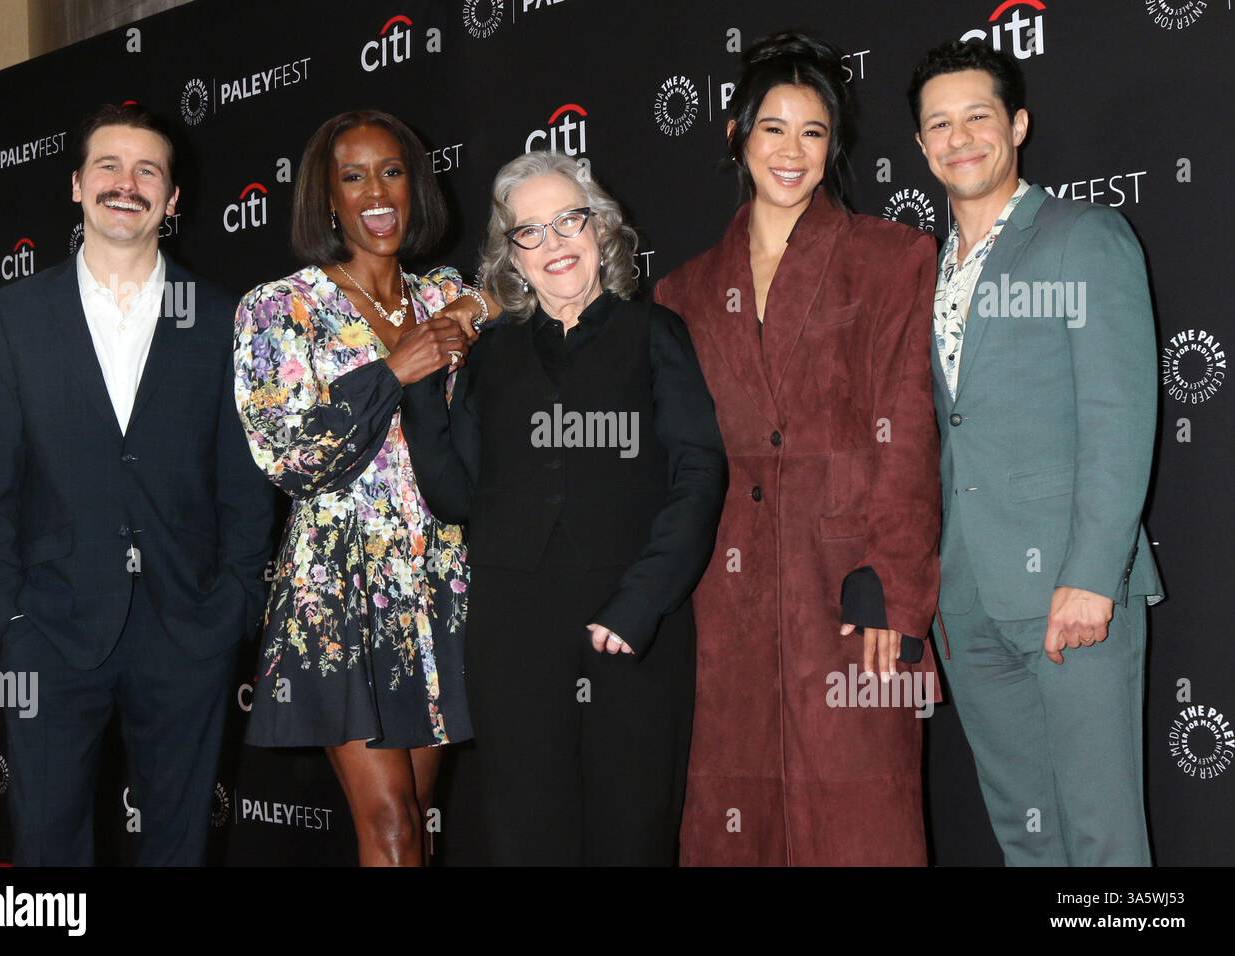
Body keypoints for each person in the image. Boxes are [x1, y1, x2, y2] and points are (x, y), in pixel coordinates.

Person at [0, 102, 277, 865]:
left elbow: (244, 480)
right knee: (45, 846)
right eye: (107, 165)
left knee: (178, 845)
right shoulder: (14, 316)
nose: (124, 183)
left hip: (186, 626)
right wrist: (9, 617)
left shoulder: (223, 317)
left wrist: (235, 601)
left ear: (172, 199)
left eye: (147, 171)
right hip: (52, 626)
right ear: (75, 185)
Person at [653, 32, 943, 866]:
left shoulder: (892, 258)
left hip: (850, 585)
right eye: (772, 128)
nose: (791, 151)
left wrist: (895, 586)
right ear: (736, 134)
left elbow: (909, 427)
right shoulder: (682, 290)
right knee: (730, 815)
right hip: (725, 595)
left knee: (863, 821)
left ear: (834, 147)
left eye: (812, 132)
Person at [400, 150, 728, 865]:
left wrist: (642, 602)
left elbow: (698, 473)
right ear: (511, 257)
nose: (553, 244)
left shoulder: (655, 335)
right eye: (530, 232)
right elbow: (455, 496)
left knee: (631, 837)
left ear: (600, 230)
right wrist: (420, 390)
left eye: (568, 221)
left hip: (631, 626)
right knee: (527, 838)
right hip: (512, 635)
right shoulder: (490, 357)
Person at [909, 40, 1163, 865]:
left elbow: (1119, 416)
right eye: (939, 124)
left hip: (1072, 592)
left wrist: (1093, 575)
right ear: (920, 146)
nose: (960, 138)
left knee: (1101, 835)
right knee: (1027, 835)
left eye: (977, 116)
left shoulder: (1083, 236)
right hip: (970, 599)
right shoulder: (923, 271)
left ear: (1017, 124)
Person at [234, 110, 497, 866]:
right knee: (386, 825)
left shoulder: (440, 291)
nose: (375, 192)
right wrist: (392, 372)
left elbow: (516, 285)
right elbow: (284, 456)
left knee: (414, 820)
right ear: (327, 199)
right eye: (353, 177)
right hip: (340, 589)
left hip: (438, 577)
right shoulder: (279, 307)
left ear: (415, 187)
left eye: (391, 172)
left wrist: (471, 307)